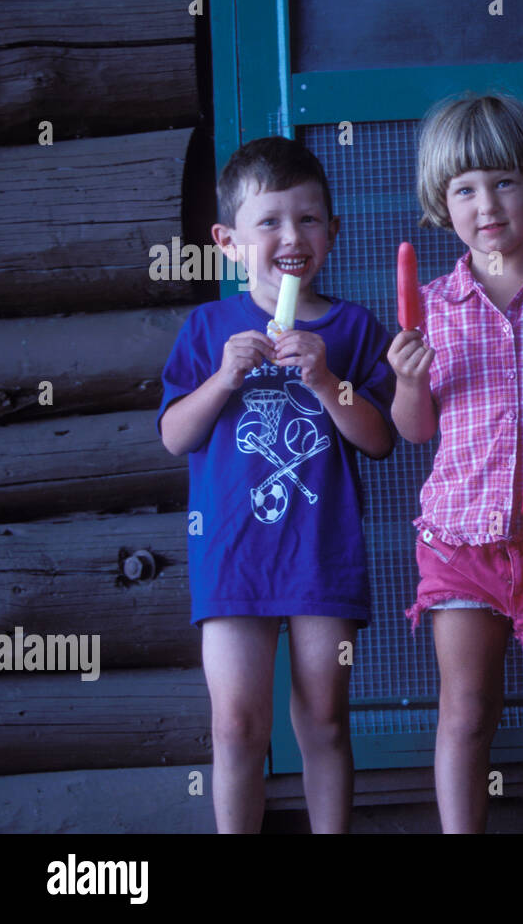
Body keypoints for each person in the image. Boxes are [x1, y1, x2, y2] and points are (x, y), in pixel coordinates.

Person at [159, 136, 395, 832]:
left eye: (310, 218)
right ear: (229, 241)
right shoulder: (206, 329)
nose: (292, 236)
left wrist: (325, 379)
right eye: (270, 222)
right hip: (231, 557)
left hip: (321, 554)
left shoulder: (352, 329)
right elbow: (176, 436)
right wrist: (224, 378)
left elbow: (379, 439)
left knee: (324, 717)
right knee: (235, 727)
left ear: (333, 231)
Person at [389, 93, 523, 833]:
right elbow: (413, 430)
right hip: (460, 541)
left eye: (504, 181)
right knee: (466, 711)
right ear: (440, 203)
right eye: (464, 189)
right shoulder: (431, 304)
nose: (487, 204)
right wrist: (412, 381)